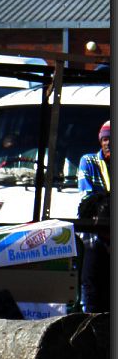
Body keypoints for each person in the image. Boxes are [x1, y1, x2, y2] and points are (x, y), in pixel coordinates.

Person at [77, 121, 110, 313]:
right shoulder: (89, 161)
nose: (108, 144)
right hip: (95, 238)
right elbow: (88, 198)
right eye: (105, 139)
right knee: (92, 293)